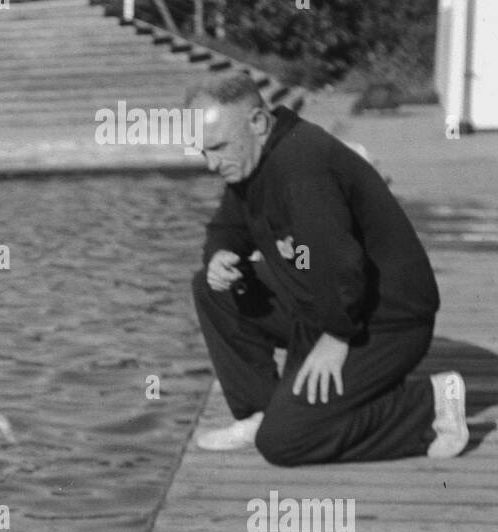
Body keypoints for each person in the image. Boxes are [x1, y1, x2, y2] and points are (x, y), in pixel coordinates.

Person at [187, 71, 468, 464]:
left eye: (217, 148)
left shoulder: (302, 171)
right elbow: (228, 226)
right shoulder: (253, 158)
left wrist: (337, 338)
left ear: (257, 122)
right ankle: (260, 412)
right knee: (212, 288)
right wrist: (220, 255)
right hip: (323, 302)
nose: (211, 164)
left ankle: (430, 404)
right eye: (203, 152)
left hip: (386, 319)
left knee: (285, 443)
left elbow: (343, 266)